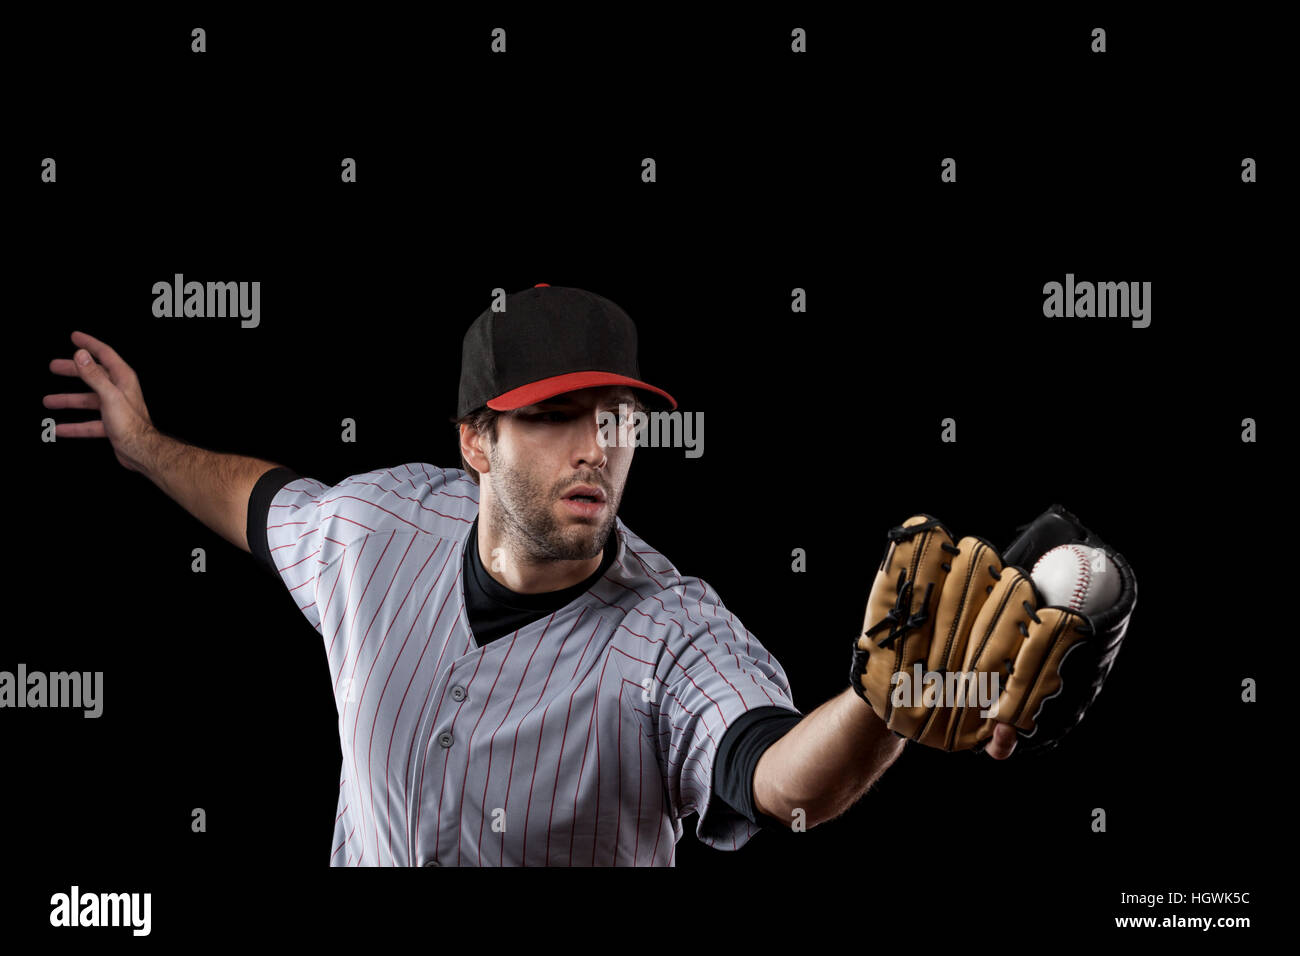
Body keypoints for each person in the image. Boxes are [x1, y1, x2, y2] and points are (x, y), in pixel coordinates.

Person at [43, 285, 1017, 867]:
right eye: (557, 414)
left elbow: (771, 773)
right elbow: (261, 501)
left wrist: (875, 710)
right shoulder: (372, 528)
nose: (596, 443)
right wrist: (143, 444)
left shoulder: (673, 631)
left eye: (617, 415)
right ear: (476, 438)